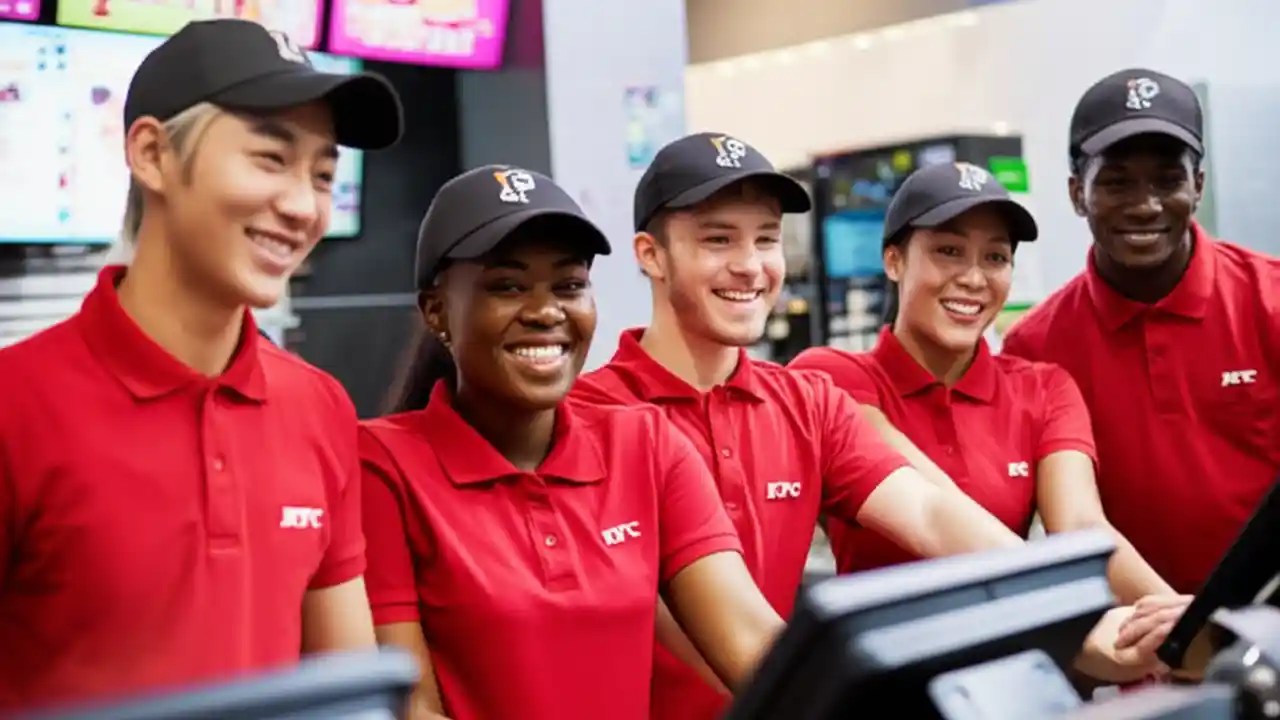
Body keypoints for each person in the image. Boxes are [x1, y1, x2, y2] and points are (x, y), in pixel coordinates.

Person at [568, 132, 1170, 720]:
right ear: (651, 254)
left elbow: (931, 513)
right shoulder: (588, 418)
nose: (750, 266)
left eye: (767, 239)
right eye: (719, 240)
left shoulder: (809, 404)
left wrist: (1074, 618)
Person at [0, 19, 403, 713]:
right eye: (270, 160)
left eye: (323, 175)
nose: (303, 206)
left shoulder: (320, 407)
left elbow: (351, 699)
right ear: (152, 153)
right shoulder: (16, 407)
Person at [360, 165, 785, 720]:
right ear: (437, 311)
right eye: (506, 286)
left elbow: (750, 637)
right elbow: (408, 707)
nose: (545, 312)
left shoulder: (646, 444)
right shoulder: (381, 466)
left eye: (568, 285)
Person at [789, 161, 1175, 606]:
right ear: (893, 260)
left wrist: (1184, 629)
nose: (973, 279)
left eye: (995, 257)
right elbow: (929, 503)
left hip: (1009, 658)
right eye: (948, 251)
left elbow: (1081, 526)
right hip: (885, 665)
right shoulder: (830, 376)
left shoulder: (1044, 389)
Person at [1001, 69, 1280, 599]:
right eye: (1116, 181)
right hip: (1134, 645)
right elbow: (1067, 525)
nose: (1145, 204)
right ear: (1076, 194)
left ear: (1198, 187)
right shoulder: (1036, 348)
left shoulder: (1271, 301)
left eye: (1168, 179)